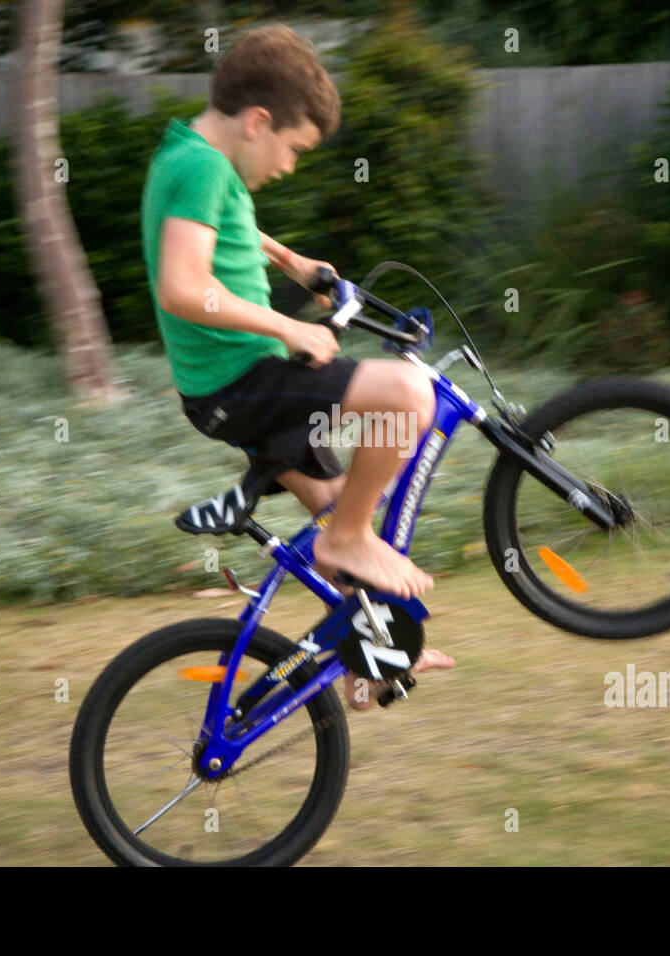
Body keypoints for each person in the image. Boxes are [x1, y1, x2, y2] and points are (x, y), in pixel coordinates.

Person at [141, 24, 453, 711]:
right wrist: (288, 326)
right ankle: (347, 541)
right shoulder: (204, 167)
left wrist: (291, 263)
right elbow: (181, 286)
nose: (290, 164)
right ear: (258, 122)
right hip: (244, 382)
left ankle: (369, 660)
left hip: (228, 388)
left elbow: (224, 226)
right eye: (294, 147)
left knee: (344, 507)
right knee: (409, 392)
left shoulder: (190, 155)